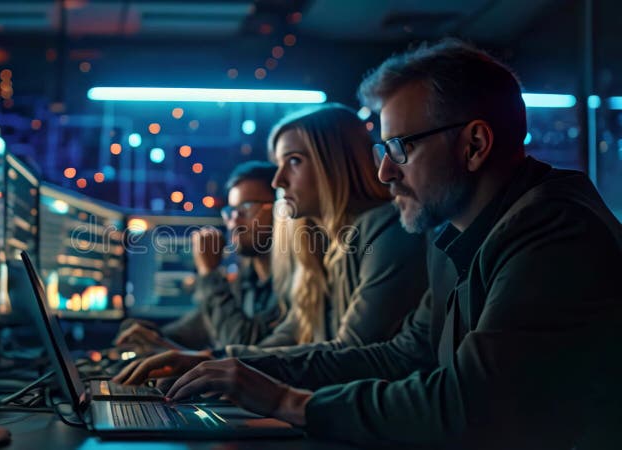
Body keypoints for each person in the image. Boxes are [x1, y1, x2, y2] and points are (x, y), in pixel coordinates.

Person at [117, 40, 622, 448]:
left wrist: (287, 403)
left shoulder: (557, 233)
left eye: (400, 148)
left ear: (474, 145)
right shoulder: (454, 237)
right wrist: (229, 365)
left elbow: (467, 407)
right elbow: (399, 356)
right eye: (382, 149)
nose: (384, 171)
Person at [114, 104, 428, 379]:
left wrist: (213, 362)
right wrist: (207, 362)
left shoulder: (384, 230)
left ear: (336, 165)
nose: (278, 181)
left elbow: (353, 353)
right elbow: (288, 337)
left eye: (293, 161)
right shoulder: (323, 250)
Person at [114, 161, 289, 352]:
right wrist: (151, 335)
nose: (234, 221)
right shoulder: (248, 279)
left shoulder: (290, 283)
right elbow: (202, 325)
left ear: (281, 210)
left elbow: (242, 347)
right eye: (230, 211)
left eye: (246, 208)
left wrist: (209, 271)